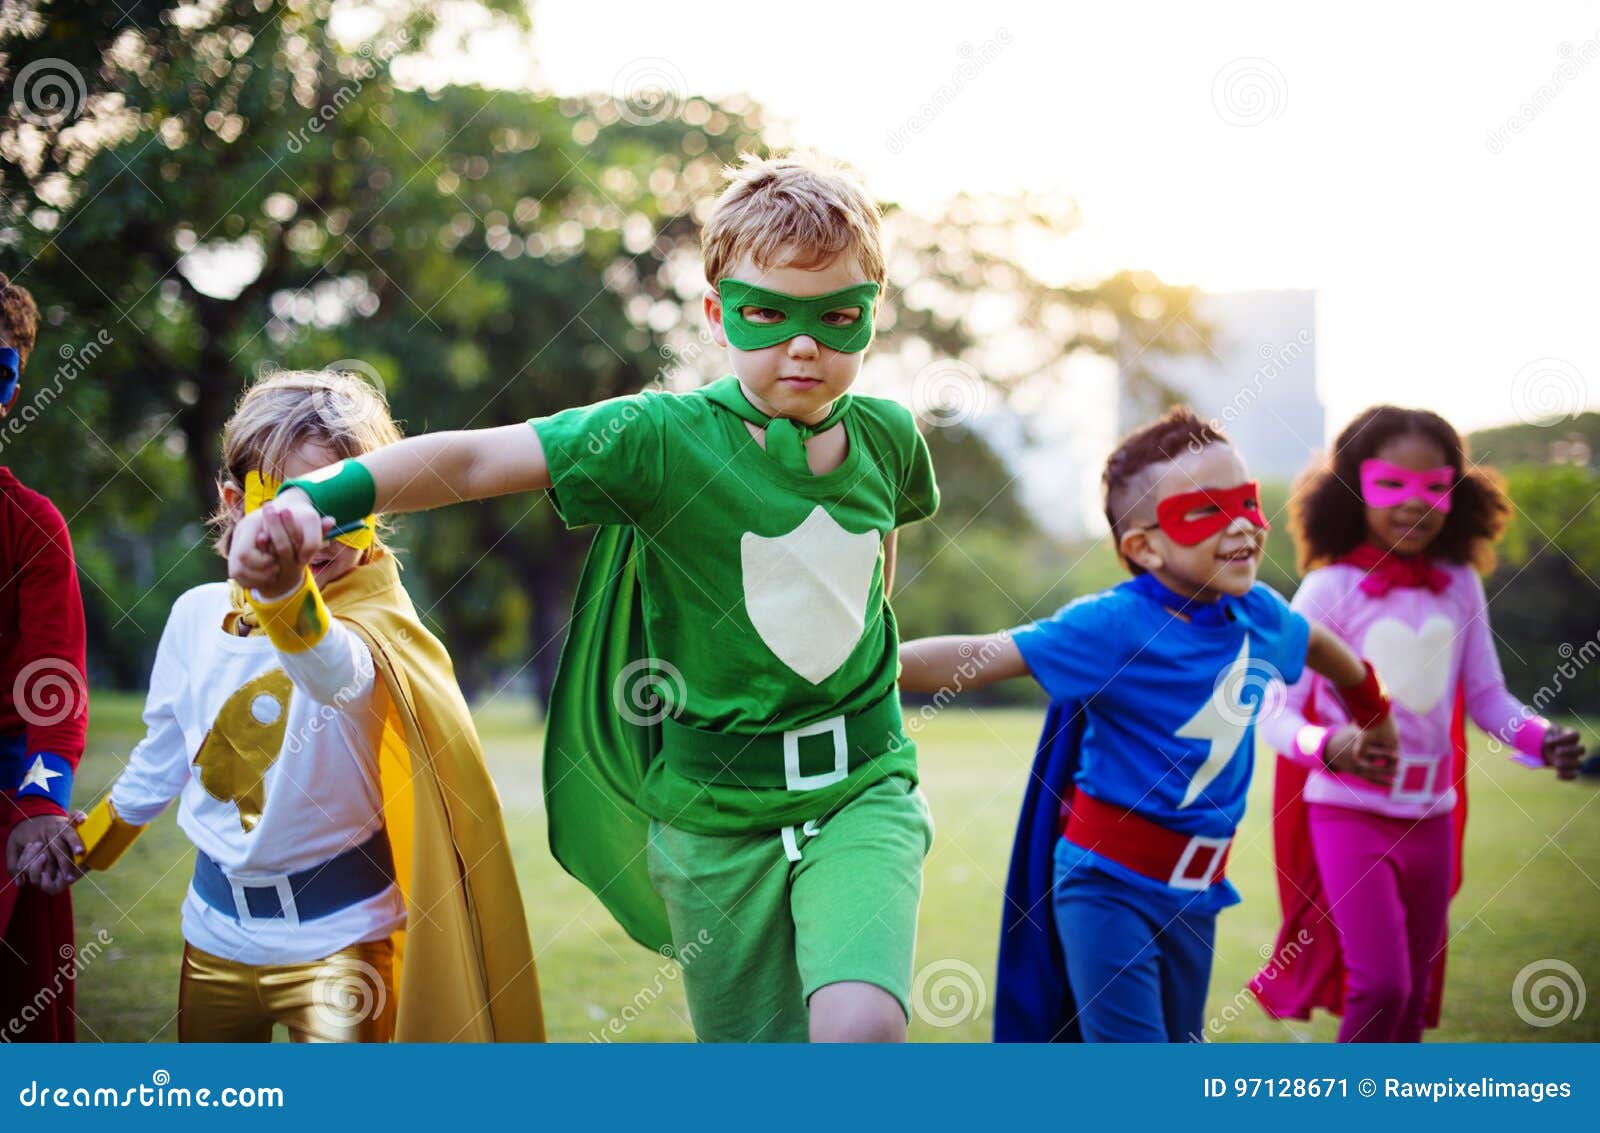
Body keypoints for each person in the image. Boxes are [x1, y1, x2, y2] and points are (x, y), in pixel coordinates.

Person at [899, 407, 1399, 1042]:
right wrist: (862, 665)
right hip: (1107, 888)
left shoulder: (1263, 615)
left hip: (1198, 892)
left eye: (1246, 502)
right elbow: (985, 656)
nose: (1242, 524)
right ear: (1144, 547)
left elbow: (1325, 648)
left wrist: (1373, 718)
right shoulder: (1112, 624)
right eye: (1205, 511)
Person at [74, 370, 543, 1042]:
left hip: (342, 943)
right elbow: (166, 753)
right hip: (213, 934)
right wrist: (85, 843)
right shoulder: (194, 616)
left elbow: (332, 673)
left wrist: (282, 591)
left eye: (343, 507)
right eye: (288, 505)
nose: (316, 537)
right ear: (234, 501)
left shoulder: (372, 630)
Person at [1251, 405, 1585, 1042]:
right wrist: (1327, 745)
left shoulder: (1461, 585)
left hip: (1434, 818)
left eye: (1435, 486)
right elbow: (1272, 705)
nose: (1414, 503)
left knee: (1413, 998)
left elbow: (1487, 697)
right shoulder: (1327, 590)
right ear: (1351, 489)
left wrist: (1542, 739)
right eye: (1391, 484)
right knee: (1382, 986)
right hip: (1346, 814)